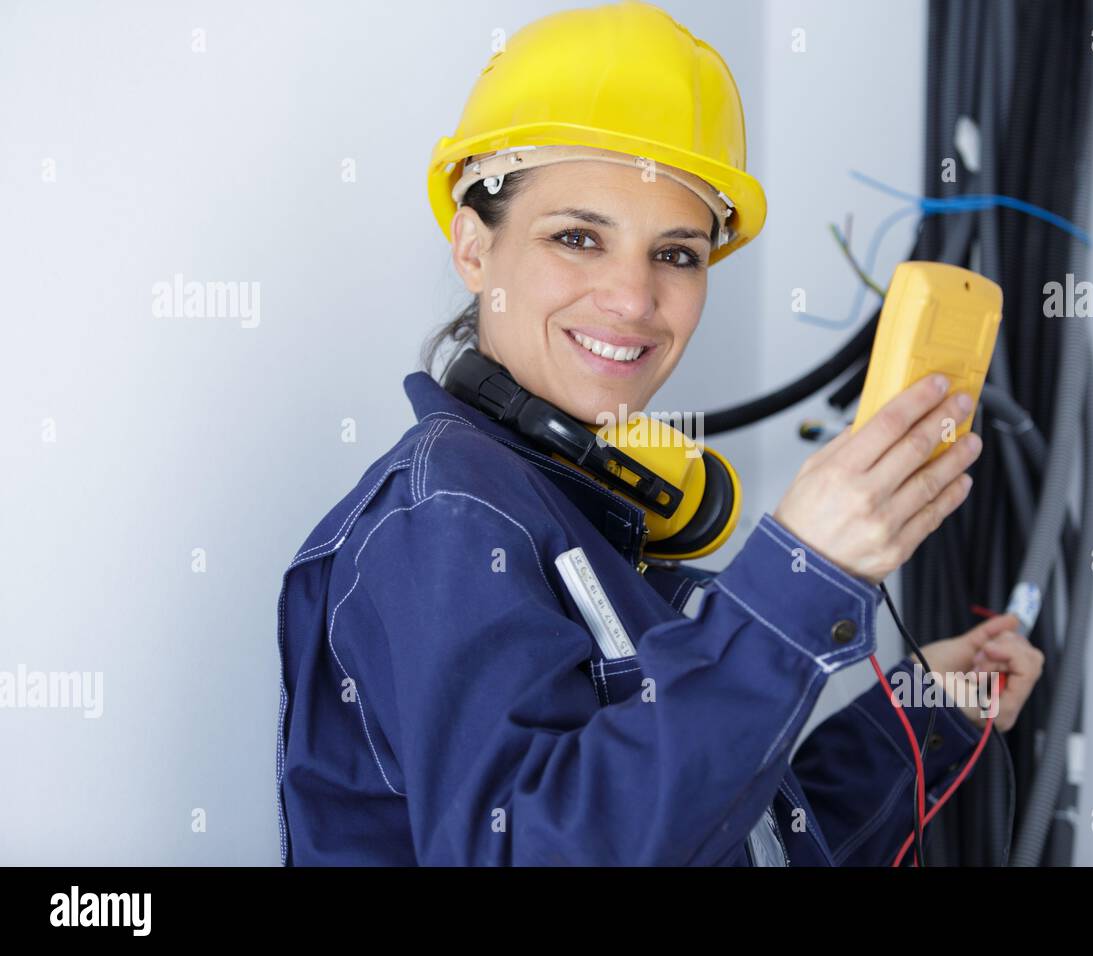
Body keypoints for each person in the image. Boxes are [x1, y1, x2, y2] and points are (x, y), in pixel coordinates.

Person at [274, 0, 1043, 866]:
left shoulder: (589, 510)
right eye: (577, 237)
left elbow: (739, 837)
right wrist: (801, 576)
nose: (635, 300)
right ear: (472, 247)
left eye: (676, 254)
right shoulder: (447, 521)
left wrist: (931, 708)